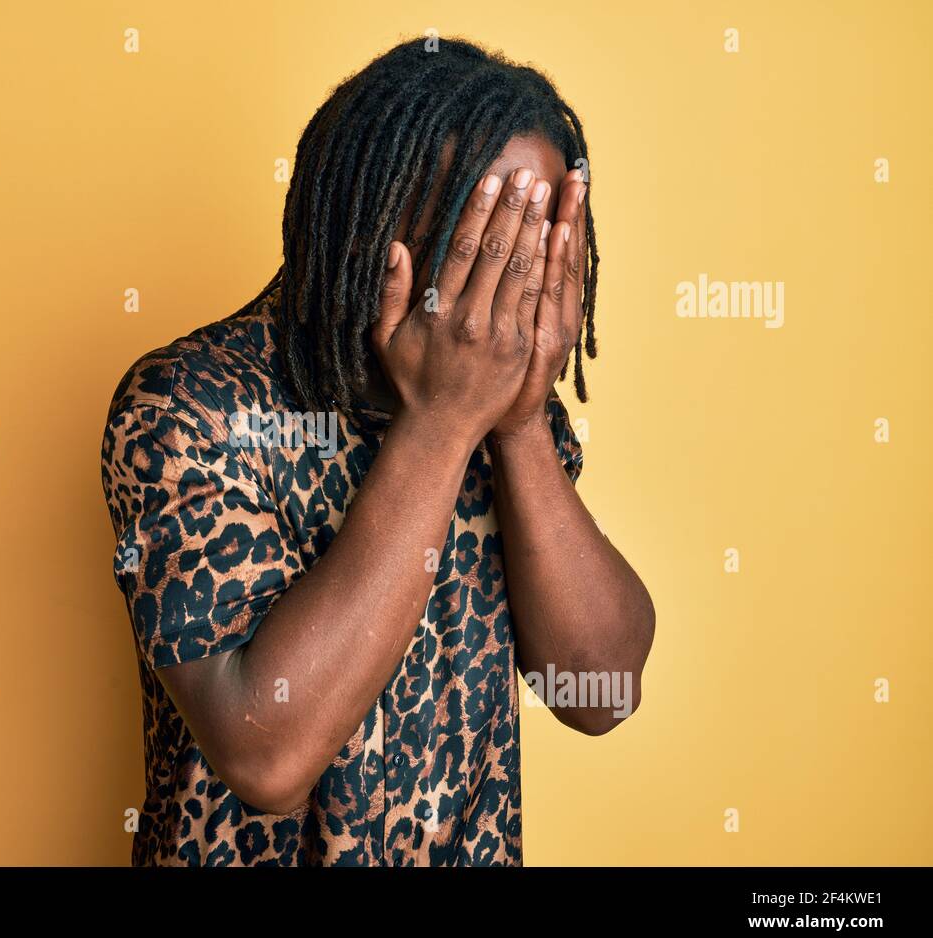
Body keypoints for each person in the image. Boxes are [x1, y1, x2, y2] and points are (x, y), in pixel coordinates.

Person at [100, 37, 654, 866]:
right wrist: (439, 424)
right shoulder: (190, 406)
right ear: (365, 217)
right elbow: (266, 756)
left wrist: (517, 423)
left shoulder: (502, 407)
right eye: (481, 230)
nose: (504, 281)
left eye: (533, 240)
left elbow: (599, 692)